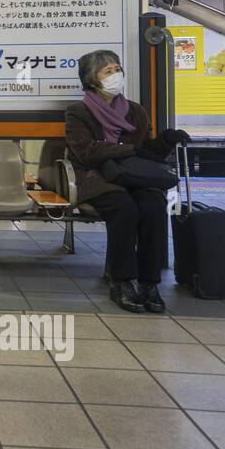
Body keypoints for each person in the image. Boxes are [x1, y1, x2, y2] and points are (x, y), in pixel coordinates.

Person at [64, 50, 190, 313]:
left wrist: (167, 139)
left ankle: (149, 283)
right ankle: (121, 281)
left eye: (117, 69)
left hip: (134, 176)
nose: (115, 75)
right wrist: (127, 149)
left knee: (154, 206)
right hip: (96, 177)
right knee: (124, 208)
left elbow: (146, 153)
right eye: (107, 72)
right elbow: (87, 151)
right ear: (92, 79)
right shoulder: (79, 112)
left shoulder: (136, 111)